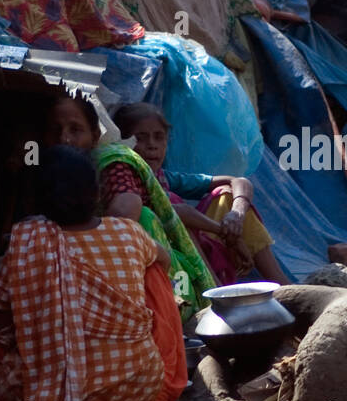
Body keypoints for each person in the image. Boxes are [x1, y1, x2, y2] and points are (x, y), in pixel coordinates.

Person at [0, 145, 188, 401]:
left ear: (38, 200)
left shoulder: (26, 242)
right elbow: (165, 260)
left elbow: (1, 326)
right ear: (96, 193)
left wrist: (50, 329)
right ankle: (166, 380)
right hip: (139, 388)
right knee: (155, 271)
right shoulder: (127, 232)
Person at [44, 93, 218, 319]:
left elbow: (128, 210)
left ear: (96, 135)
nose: (65, 139)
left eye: (75, 130)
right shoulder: (47, 168)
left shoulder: (111, 162)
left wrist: (81, 243)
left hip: (161, 287)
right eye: (55, 131)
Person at [109, 102, 288, 285]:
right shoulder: (124, 181)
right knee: (175, 206)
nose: (152, 146)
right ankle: (214, 288)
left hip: (194, 248)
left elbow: (239, 181)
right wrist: (227, 233)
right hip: (163, 255)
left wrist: (236, 216)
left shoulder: (165, 178)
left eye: (159, 137)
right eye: (141, 138)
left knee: (225, 195)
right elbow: (177, 212)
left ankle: (282, 284)